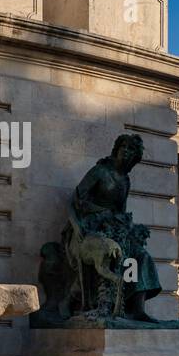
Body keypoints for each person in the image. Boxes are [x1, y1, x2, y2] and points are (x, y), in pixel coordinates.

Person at [70, 133, 162, 321]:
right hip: (93, 227)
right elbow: (77, 200)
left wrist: (126, 224)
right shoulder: (99, 171)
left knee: (140, 257)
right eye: (124, 148)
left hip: (114, 228)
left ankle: (135, 307)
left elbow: (121, 211)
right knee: (113, 252)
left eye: (131, 151)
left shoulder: (125, 181)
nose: (126, 152)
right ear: (117, 149)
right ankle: (106, 304)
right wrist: (92, 218)